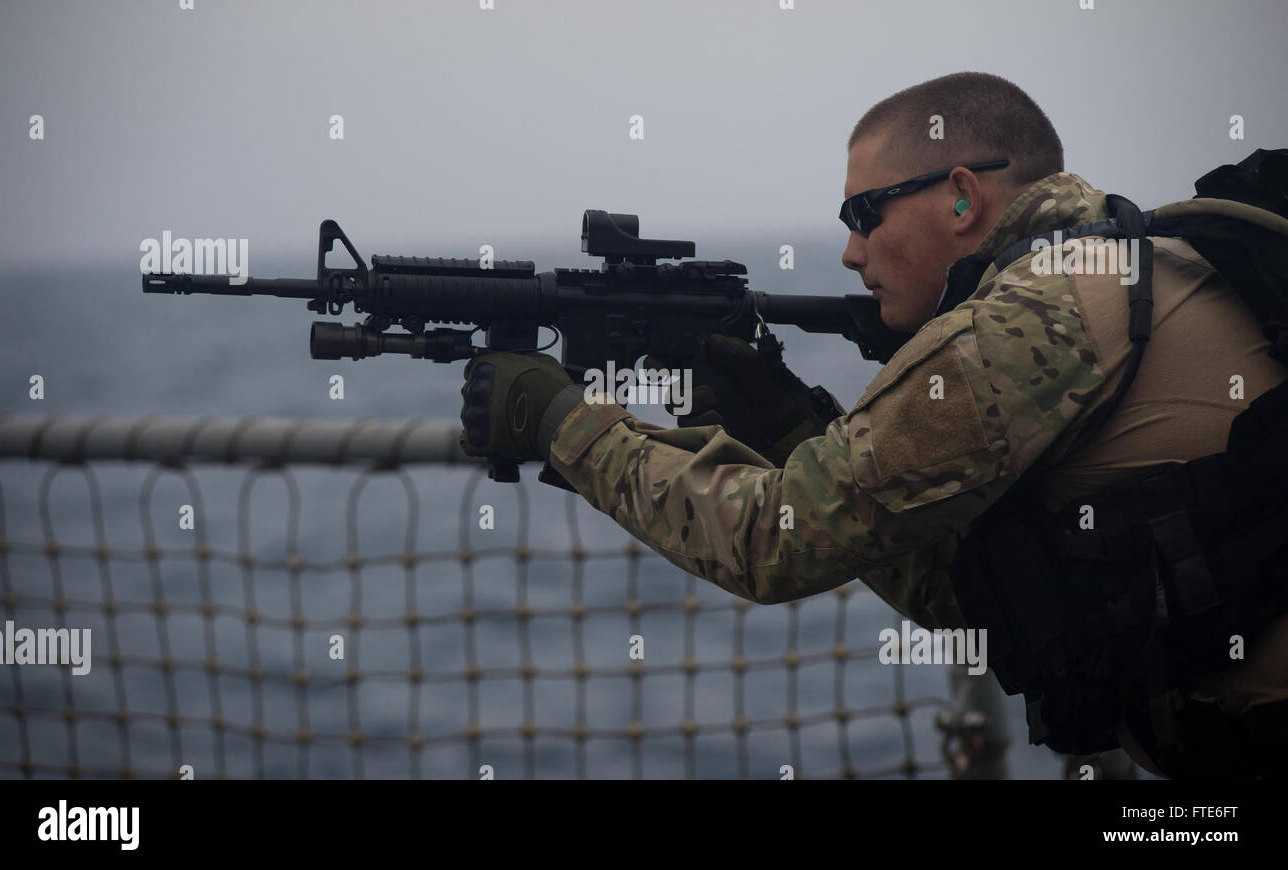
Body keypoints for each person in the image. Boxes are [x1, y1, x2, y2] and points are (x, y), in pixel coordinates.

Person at [458, 71, 1288, 778]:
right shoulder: (1125, 265)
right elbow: (986, 598)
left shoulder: (1032, 318)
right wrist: (793, 431)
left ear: (962, 195)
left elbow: (766, 544)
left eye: (864, 215)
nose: (852, 254)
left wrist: (563, 421)